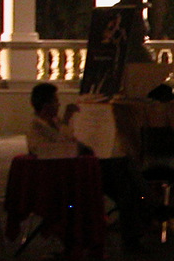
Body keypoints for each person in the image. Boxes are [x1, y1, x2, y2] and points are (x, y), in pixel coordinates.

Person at [26, 82, 148, 250]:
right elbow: (55, 149)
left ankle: (143, 212)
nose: (59, 104)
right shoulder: (37, 127)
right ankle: (149, 207)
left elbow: (70, 141)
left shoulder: (54, 122)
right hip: (64, 178)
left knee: (124, 173)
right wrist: (67, 121)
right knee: (121, 177)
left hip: (77, 168)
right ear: (46, 106)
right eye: (55, 101)